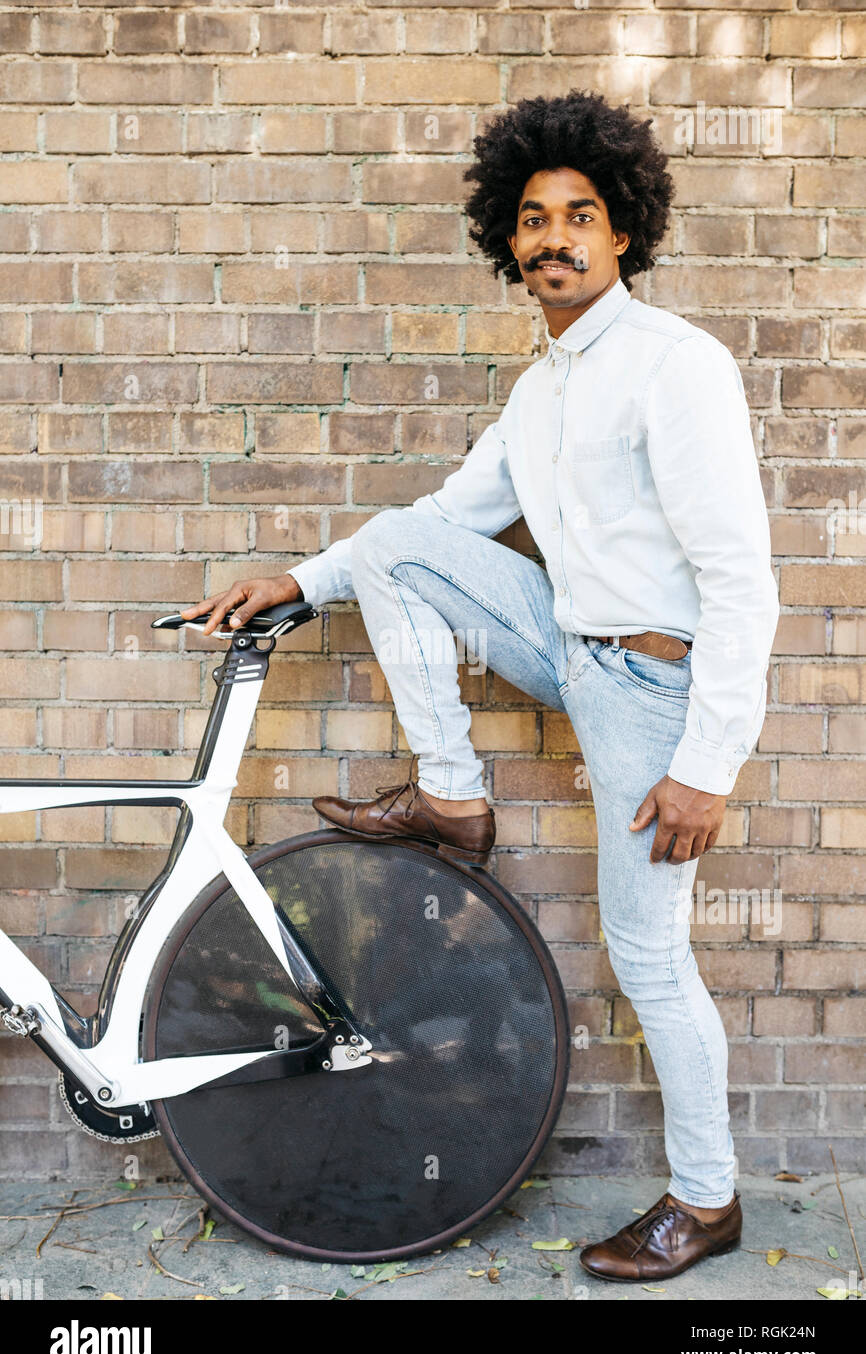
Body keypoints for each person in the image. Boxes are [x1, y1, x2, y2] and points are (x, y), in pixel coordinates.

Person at [181, 89, 780, 1281]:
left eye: (580, 215)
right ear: (506, 242)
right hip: (567, 638)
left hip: (650, 693)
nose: (552, 236)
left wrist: (706, 765)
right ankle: (453, 795)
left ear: (623, 234)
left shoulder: (675, 366)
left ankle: (706, 1202)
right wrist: (296, 581)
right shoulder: (540, 386)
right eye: (530, 218)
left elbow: (739, 575)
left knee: (649, 957)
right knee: (399, 539)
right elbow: (443, 524)